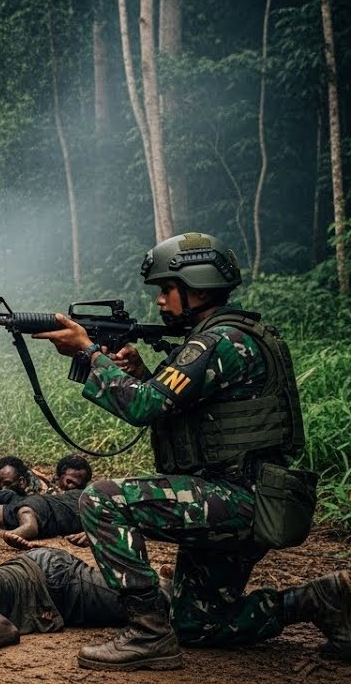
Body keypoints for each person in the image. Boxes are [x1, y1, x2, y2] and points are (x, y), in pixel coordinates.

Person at [34, 232, 351, 670]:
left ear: (197, 287)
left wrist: (90, 353)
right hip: (245, 496)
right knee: (199, 625)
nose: (161, 302)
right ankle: (318, 599)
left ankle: (147, 635)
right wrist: (143, 371)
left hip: (239, 499)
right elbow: (182, 407)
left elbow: (144, 405)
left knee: (103, 499)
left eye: (167, 289)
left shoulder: (215, 342)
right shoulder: (231, 337)